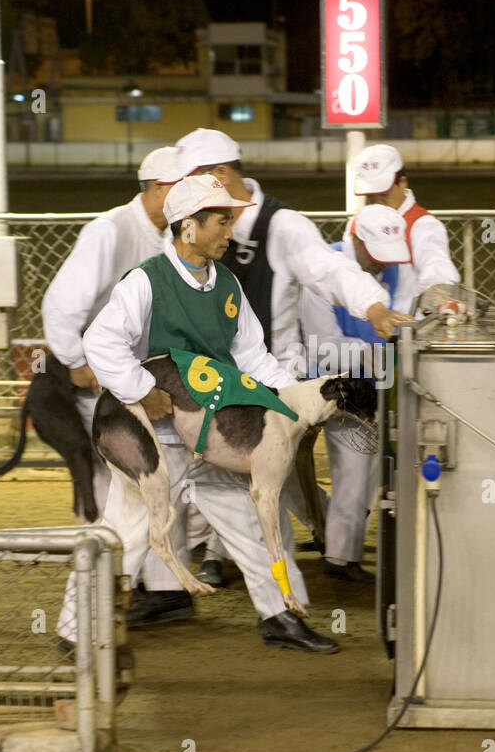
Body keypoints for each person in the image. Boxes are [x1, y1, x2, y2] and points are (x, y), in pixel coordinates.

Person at [57, 174, 340, 653]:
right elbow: (100, 341)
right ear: (188, 226)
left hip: (218, 434)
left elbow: (252, 356)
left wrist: (294, 400)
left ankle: (281, 615)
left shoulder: (226, 282)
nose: (230, 232)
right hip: (158, 439)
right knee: (125, 532)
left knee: (256, 526)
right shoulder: (147, 280)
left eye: (231, 221)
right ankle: (75, 630)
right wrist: (142, 389)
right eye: (221, 222)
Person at [171, 128, 415, 585]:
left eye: (191, 180)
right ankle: (202, 572)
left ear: (220, 174)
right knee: (227, 480)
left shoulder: (283, 226)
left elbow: (330, 268)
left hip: (273, 386)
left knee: (257, 487)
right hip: (214, 380)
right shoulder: (196, 223)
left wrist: (372, 305)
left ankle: (276, 597)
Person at [41, 146, 182, 518]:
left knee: (137, 476)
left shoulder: (166, 237)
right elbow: (59, 303)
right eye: (183, 188)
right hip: (101, 372)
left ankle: (126, 571)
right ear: (159, 188)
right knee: (119, 475)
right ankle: (98, 570)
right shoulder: (110, 229)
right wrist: (75, 359)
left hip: (137, 371)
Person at [299, 204, 415, 580]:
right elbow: (322, 344)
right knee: (352, 470)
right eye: (379, 257)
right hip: (336, 383)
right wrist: (380, 355)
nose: (386, 266)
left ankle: (340, 547)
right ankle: (339, 558)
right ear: (356, 241)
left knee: (368, 475)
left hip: (379, 381)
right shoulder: (322, 268)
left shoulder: (396, 268)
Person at [352, 143, 464, 314]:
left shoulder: (424, 225)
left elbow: (435, 264)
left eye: (383, 194)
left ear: (403, 182)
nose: (376, 201)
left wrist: (441, 297)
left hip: (406, 329)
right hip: (364, 328)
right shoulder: (357, 222)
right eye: (370, 195)